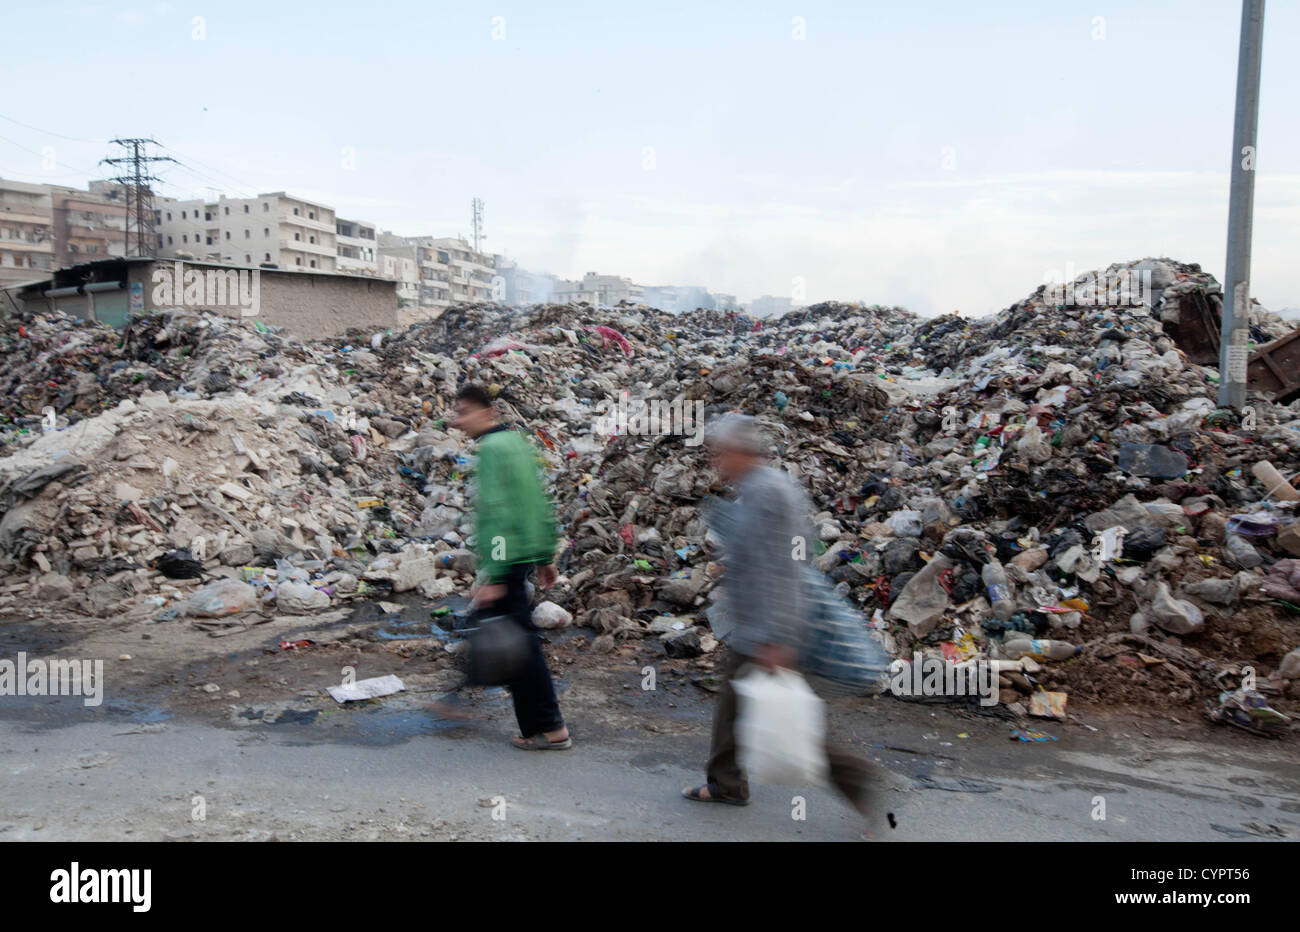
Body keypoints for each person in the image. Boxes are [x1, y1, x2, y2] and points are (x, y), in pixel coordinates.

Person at [682, 413, 881, 823]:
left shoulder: (768, 493)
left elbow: (784, 568)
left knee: (788, 720)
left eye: (720, 453)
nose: (716, 461)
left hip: (769, 628)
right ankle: (726, 785)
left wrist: (776, 637)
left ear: (742, 452)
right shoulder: (759, 488)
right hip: (755, 624)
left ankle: (860, 783)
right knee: (736, 707)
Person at [451, 383, 570, 750]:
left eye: (464, 412)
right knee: (517, 642)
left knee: (521, 646)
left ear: (487, 413)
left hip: (508, 560)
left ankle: (550, 727)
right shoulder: (517, 443)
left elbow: (500, 513)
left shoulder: (491, 449)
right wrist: (545, 556)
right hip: (521, 556)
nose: (457, 422)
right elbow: (535, 503)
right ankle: (540, 724)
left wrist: (497, 574)